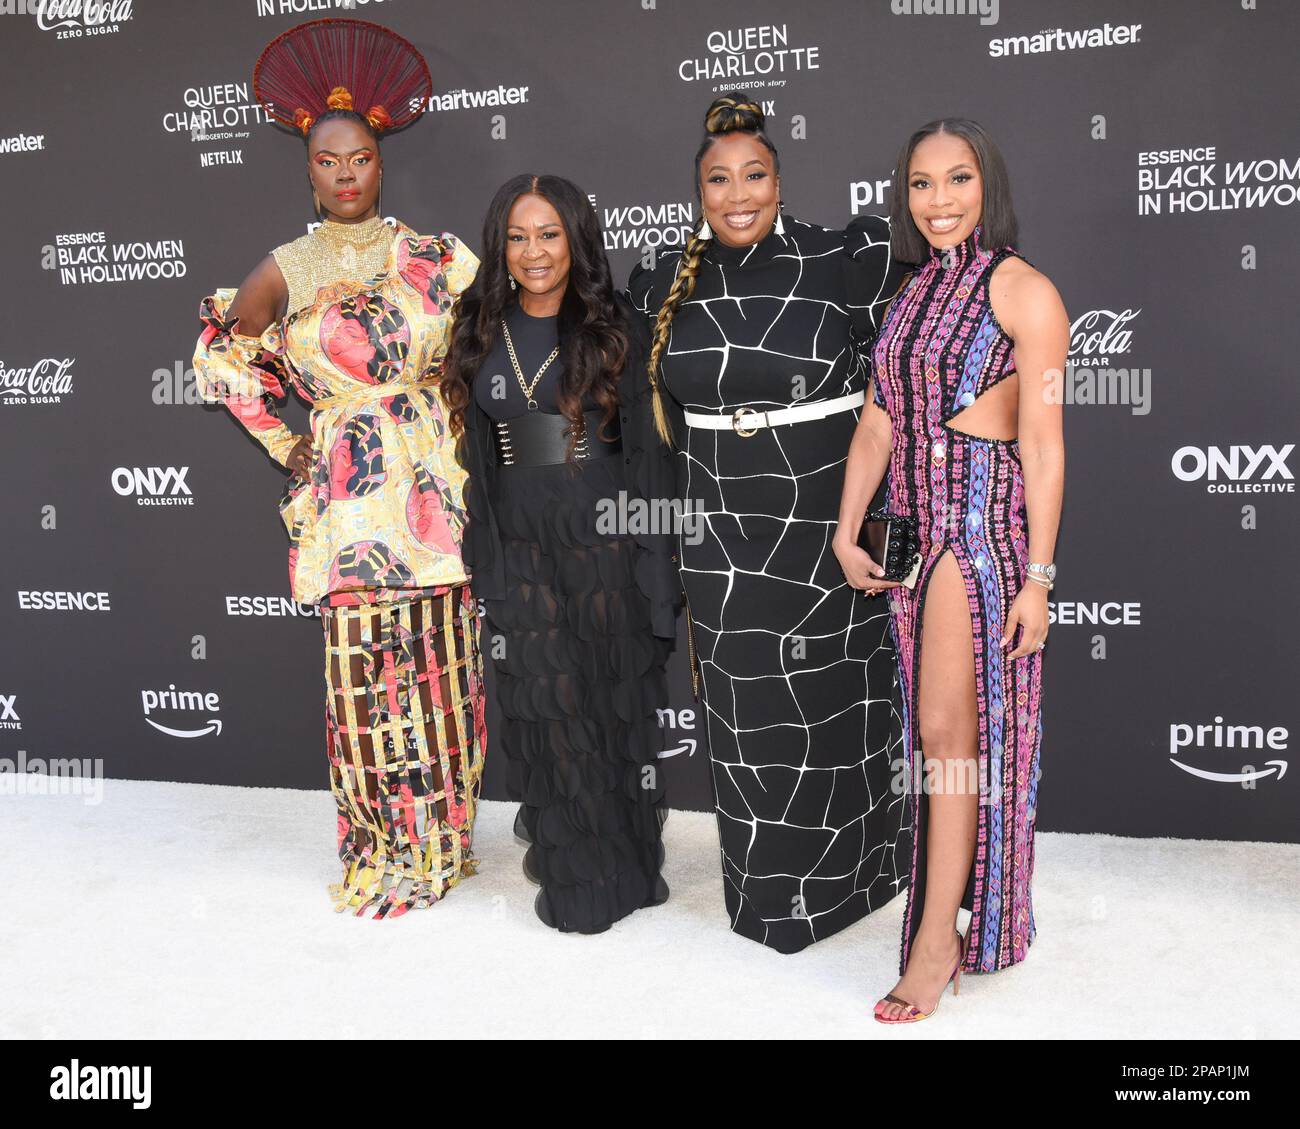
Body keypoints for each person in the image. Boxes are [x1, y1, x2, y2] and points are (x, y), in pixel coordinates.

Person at [192, 18, 485, 919]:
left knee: (441, 662)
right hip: (352, 502)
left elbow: (473, 356)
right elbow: (221, 356)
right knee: (366, 674)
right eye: (328, 161)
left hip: (431, 492)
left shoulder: (427, 257)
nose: (346, 173)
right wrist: (291, 444)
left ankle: (444, 840)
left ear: (381, 161)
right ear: (308, 168)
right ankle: (380, 843)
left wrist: (457, 436)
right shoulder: (285, 268)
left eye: (359, 157)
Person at [628, 96, 911, 954]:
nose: (737, 193)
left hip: (826, 521)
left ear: (780, 180)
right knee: (747, 720)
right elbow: (645, 428)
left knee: (841, 703)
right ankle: (770, 901)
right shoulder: (664, 284)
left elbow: (905, 380)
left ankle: (869, 873)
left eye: (754, 175)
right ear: (698, 192)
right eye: (718, 179)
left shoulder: (844, 257)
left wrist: (881, 516)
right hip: (720, 536)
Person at [834, 118, 1066, 1021]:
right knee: (939, 743)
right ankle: (954, 921)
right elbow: (880, 424)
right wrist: (847, 526)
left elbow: (1044, 445)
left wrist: (1040, 577)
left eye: (958, 179)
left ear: (988, 184)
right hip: (914, 544)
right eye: (921, 184)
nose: (939, 200)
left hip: (979, 542)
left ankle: (939, 937)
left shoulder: (1026, 292)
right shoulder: (909, 295)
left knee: (947, 740)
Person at [441, 174, 679, 933]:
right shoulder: (478, 327)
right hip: (517, 536)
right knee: (550, 708)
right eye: (518, 236)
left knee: (612, 703)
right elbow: (478, 457)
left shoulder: (620, 328)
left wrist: (656, 561)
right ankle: (583, 885)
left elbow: (651, 454)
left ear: (577, 239)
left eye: (550, 234)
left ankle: (631, 868)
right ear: (498, 246)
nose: (534, 251)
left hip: (605, 527)